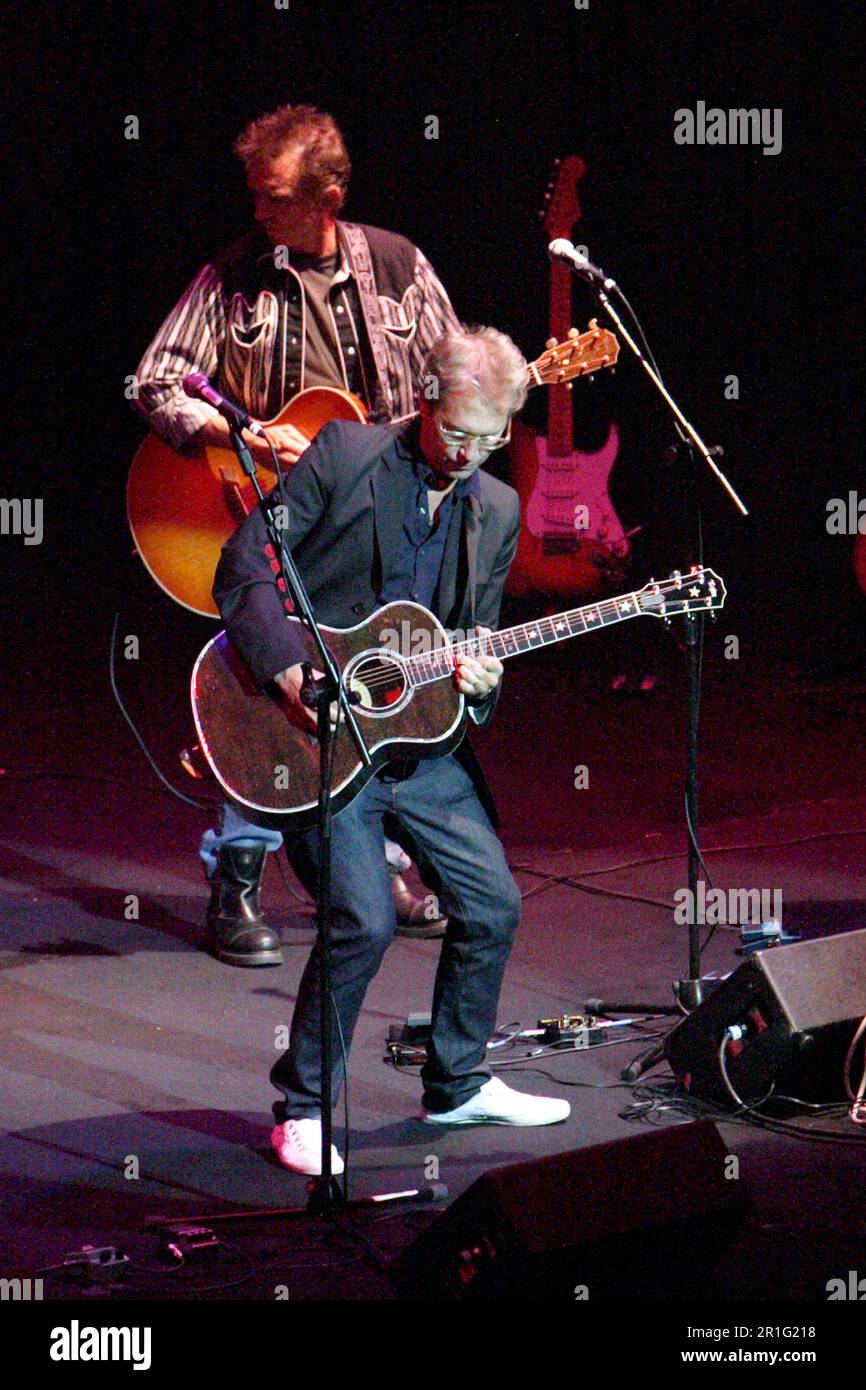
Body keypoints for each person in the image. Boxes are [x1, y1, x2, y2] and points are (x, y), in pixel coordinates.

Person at [214, 326, 571, 1176]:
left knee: (492, 905)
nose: (470, 454)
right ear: (425, 402)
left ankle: (457, 1082)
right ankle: (302, 1108)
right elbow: (244, 566)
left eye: (491, 440)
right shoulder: (345, 456)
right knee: (364, 918)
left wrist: (483, 680)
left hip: (417, 741)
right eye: (458, 432)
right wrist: (291, 674)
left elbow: (474, 637)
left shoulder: (498, 508)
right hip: (320, 737)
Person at [133, 103, 461, 964]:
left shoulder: (397, 269)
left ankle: (373, 866)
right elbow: (155, 379)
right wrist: (236, 436)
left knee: (377, 686)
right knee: (268, 689)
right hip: (265, 514)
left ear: (329, 197)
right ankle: (237, 875)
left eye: (274, 199)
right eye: (255, 196)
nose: (258, 213)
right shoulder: (236, 274)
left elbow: (453, 374)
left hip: (371, 520)